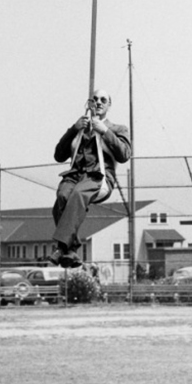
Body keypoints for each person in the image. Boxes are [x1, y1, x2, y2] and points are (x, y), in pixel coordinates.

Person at [50, 89, 131, 268]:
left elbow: (124, 155)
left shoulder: (118, 129)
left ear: (109, 105)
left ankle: (60, 247)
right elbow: (59, 155)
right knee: (63, 196)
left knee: (78, 194)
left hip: (98, 176)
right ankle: (70, 251)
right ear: (89, 103)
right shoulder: (79, 128)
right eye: (95, 99)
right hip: (75, 175)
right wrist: (73, 129)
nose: (99, 102)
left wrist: (105, 131)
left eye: (103, 100)